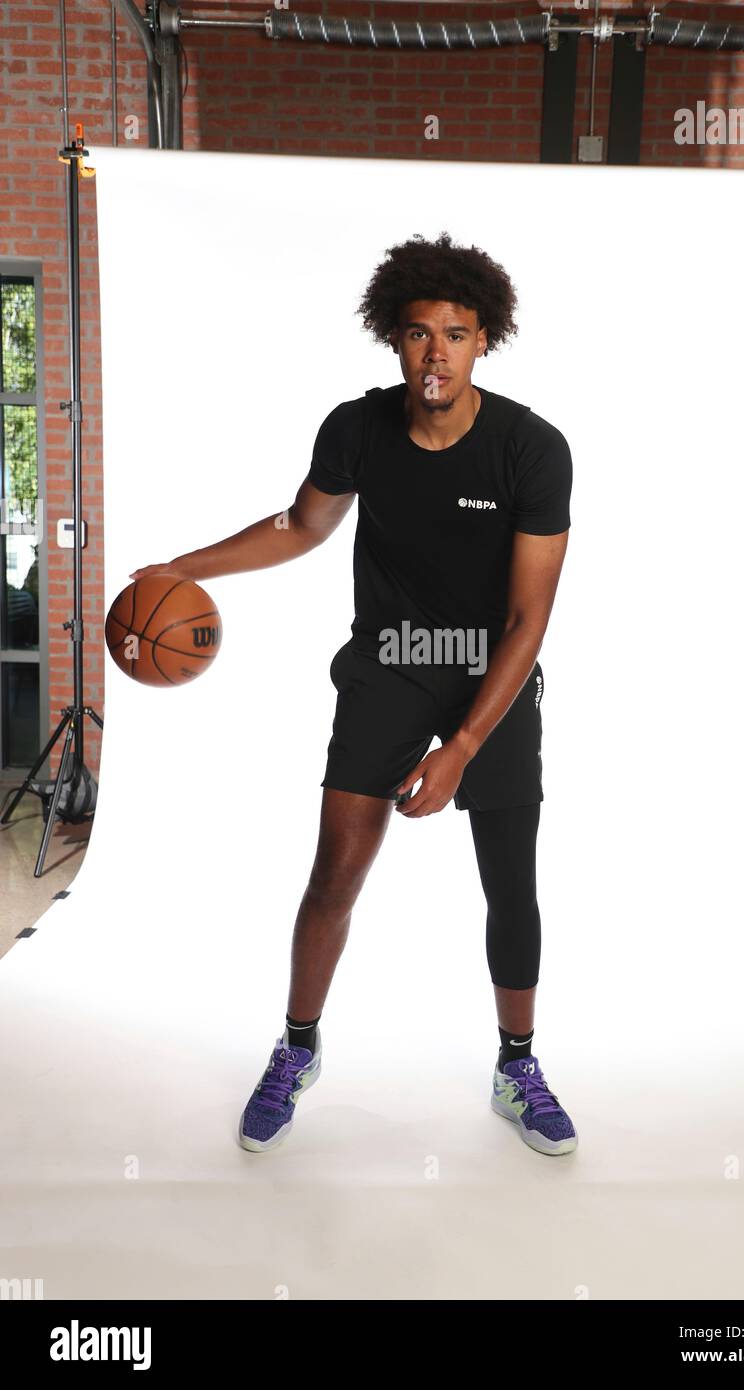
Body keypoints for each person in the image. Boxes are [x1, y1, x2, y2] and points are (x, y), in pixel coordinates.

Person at [131, 232, 576, 1157]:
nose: (436, 354)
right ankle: (297, 1048)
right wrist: (183, 567)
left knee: (511, 885)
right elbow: (302, 525)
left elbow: (528, 620)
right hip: (387, 667)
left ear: (485, 339)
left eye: (456, 334)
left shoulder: (532, 449)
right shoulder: (358, 428)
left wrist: (460, 749)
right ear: (393, 338)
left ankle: (519, 1066)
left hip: (492, 673)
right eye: (418, 333)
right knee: (334, 874)